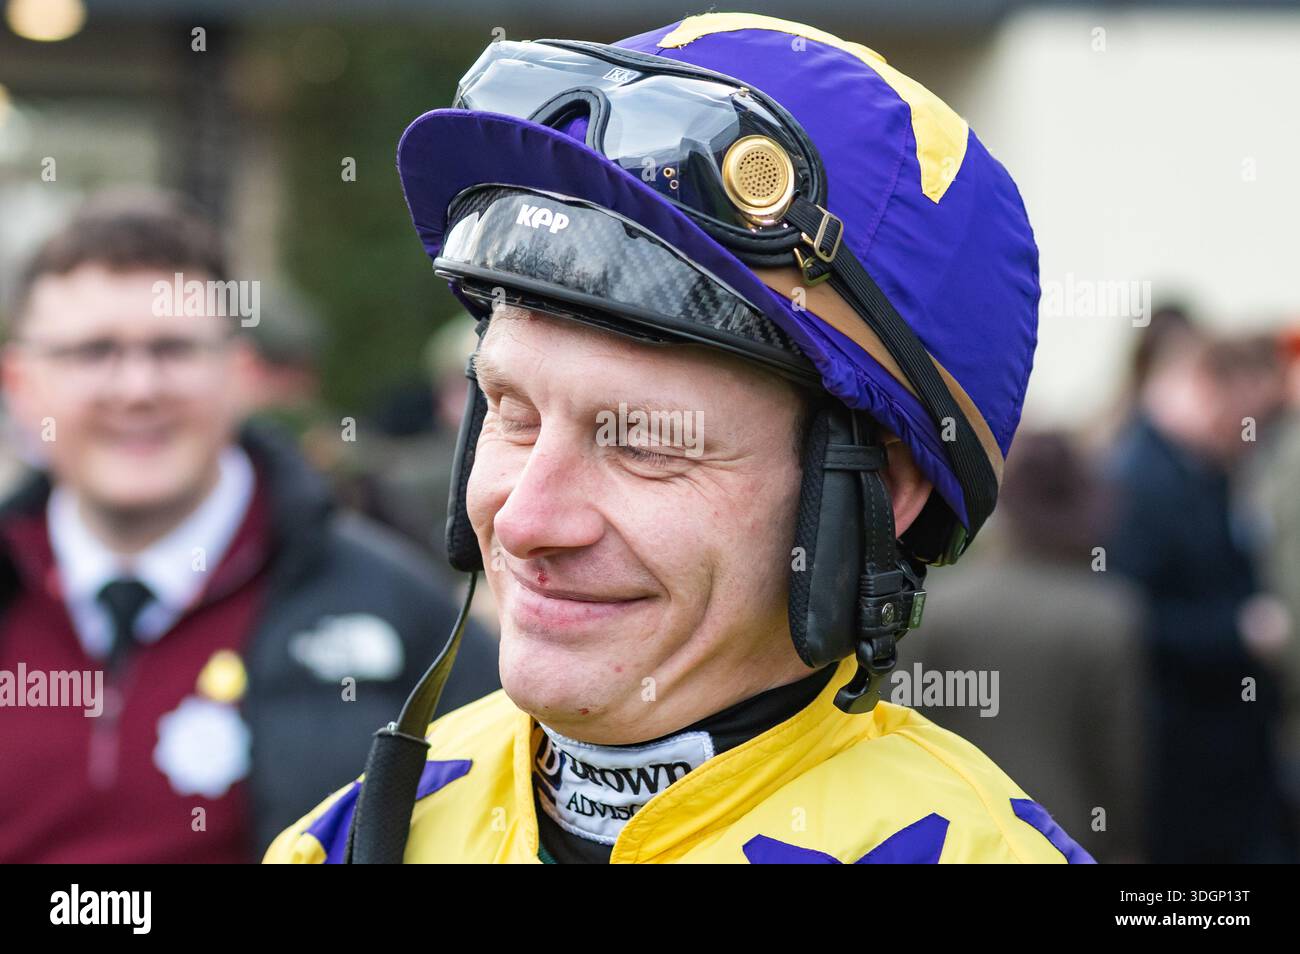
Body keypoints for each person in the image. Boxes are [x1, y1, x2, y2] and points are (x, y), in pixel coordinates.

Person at [265, 12, 1091, 864]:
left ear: (882, 485)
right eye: (512, 411)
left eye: (644, 442)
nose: (524, 522)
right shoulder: (345, 841)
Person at [0, 191, 500, 862]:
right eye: (94, 353)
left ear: (239, 373)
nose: (137, 388)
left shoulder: (396, 610)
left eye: (173, 349)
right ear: (19, 382)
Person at [1106, 329, 1296, 862]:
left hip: (1229, 756)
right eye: (1248, 416)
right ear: (1214, 392)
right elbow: (1132, 619)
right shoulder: (1143, 480)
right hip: (1185, 758)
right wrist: (1237, 632)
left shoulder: (1203, 469)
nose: (1253, 433)